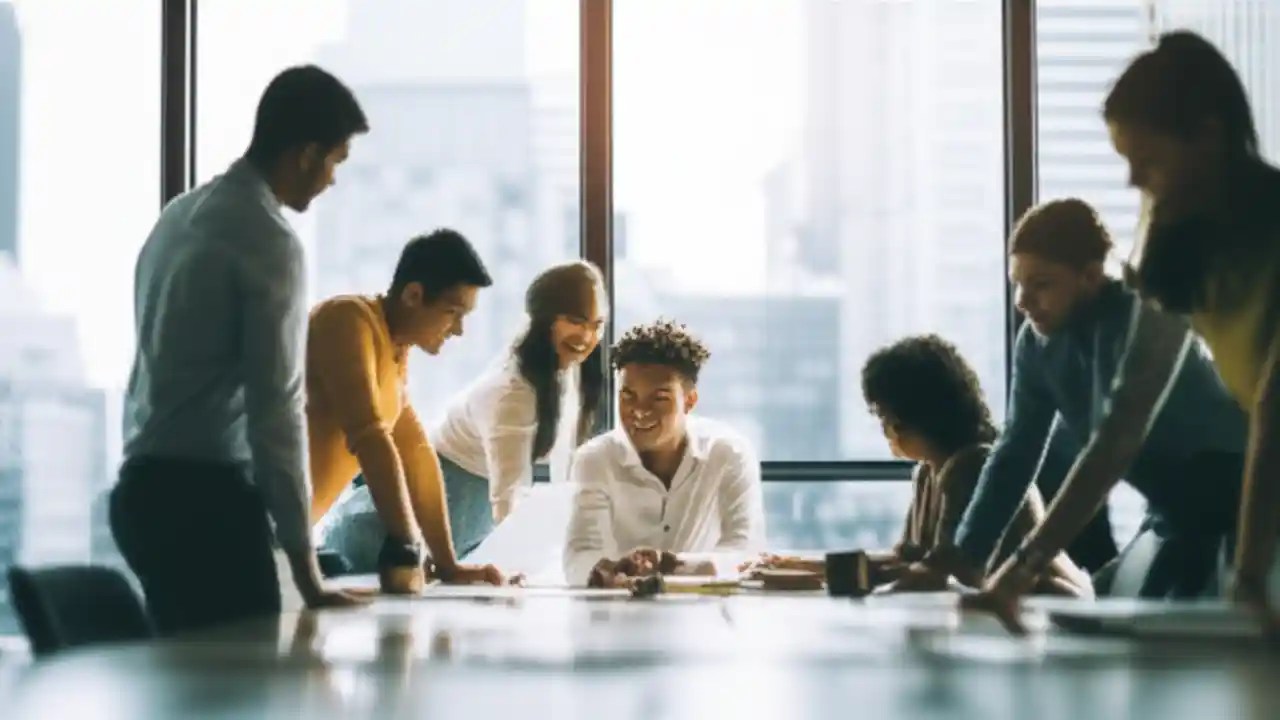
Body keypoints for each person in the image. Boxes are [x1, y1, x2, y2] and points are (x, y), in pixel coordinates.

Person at [113, 65, 371, 635]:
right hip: (206, 507)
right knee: (249, 689)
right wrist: (308, 575)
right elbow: (276, 412)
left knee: (190, 690)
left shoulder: (179, 216)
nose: (331, 180)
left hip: (141, 495)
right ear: (306, 153)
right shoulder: (268, 240)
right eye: (334, 162)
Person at [897, 198, 1248, 615]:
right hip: (1170, 512)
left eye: (1041, 284)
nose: (1023, 301)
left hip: (1234, 494)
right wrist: (960, 557)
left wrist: (1025, 564)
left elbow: (1112, 444)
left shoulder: (1139, 319)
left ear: (1091, 276)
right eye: (1017, 283)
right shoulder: (1035, 343)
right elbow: (1015, 453)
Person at [1099, 30, 1279, 632]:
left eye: (1146, 162)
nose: (1133, 183)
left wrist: (1249, 576)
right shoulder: (1181, 246)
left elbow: (1275, 412)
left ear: (1208, 135)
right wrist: (1022, 568)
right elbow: (1127, 412)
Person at [318, 259, 607, 577]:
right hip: (418, 512)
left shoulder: (565, 375)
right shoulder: (515, 392)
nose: (587, 335)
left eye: (597, 325)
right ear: (544, 319)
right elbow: (507, 495)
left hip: (463, 519)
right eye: (576, 321)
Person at [743, 335, 1091, 596]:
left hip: (1048, 613)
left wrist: (821, 580)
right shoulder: (929, 470)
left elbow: (941, 573)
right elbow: (908, 559)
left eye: (884, 414)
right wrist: (805, 565)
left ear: (914, 414)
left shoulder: (971, 466)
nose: (883, 428)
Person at [306, 230, 508, 593]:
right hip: (236, 518)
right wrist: (406, 545)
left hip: (278, 533)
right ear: (414, 295)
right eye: (452, 313)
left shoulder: (396, 351)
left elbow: (416, 456)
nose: (458, 331)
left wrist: (448, 565)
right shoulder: (348, 319)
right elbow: (369, 437)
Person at [562, 318, 766, 587]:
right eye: (628, 396)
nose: (639, 411)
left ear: (689, 401)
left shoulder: (728, 453)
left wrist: (672, 565)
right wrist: (609, 570)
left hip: (703, 614)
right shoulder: (595, 459)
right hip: (619, 610)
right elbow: (580, 554)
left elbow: (746, 552)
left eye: (658, 398)